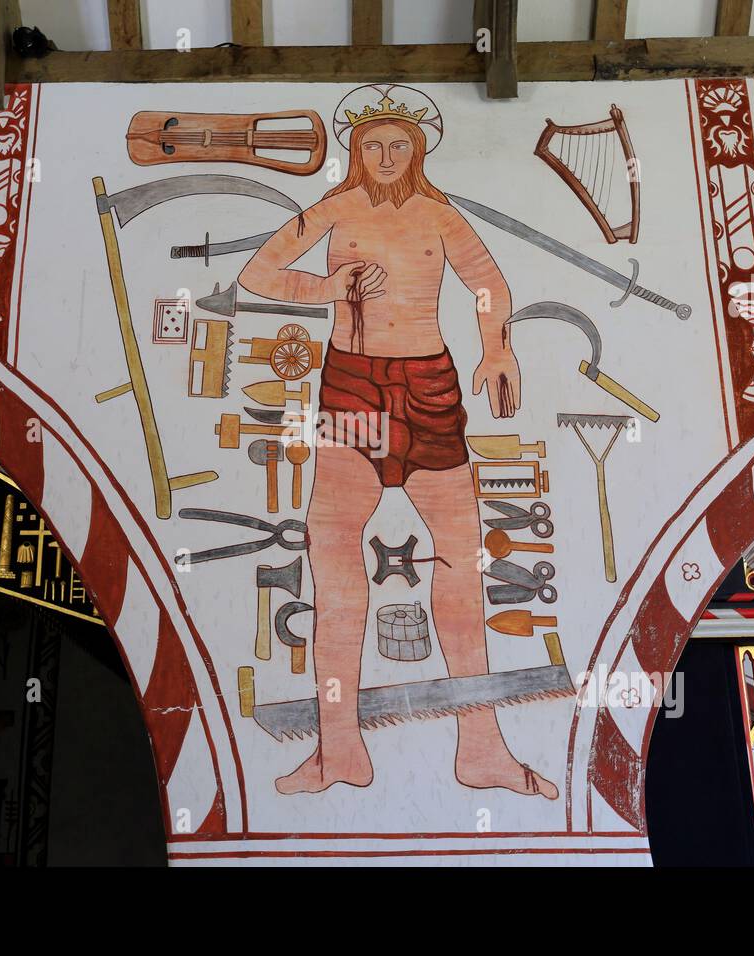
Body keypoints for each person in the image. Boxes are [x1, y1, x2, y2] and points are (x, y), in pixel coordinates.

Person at [239, 85, 557, 800]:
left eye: (399, 146)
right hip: (351, 384)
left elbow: (487, 285)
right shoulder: (333, 211)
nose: (385, 157)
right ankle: (338, 748)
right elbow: (257, 274)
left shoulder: (440, 216)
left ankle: (480, 747)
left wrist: (497, 349)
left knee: (461, 562)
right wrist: (327, 287)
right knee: (334, 563)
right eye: (373, 145)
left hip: (430, 389)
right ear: (356, 150)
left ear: (417, 151)